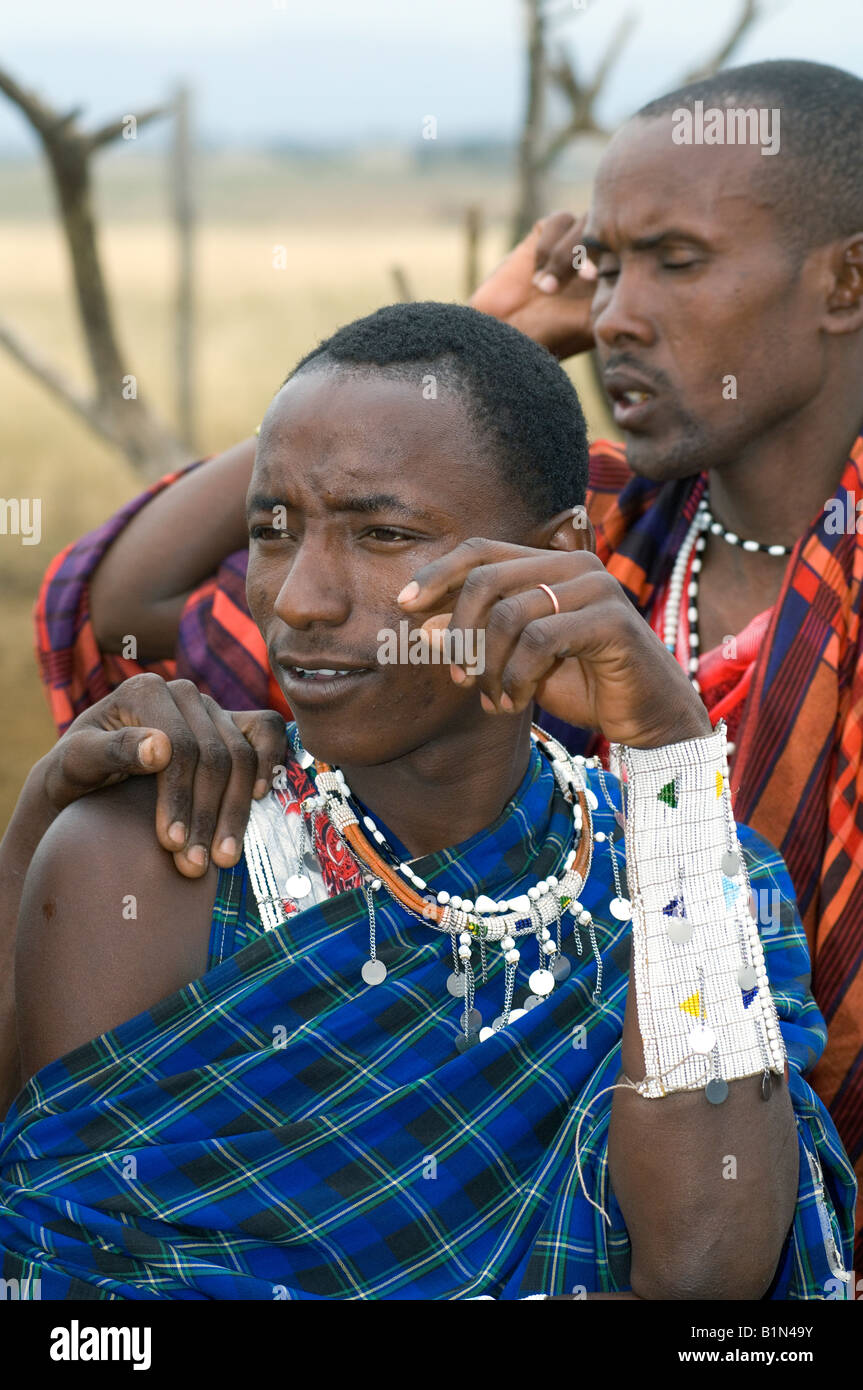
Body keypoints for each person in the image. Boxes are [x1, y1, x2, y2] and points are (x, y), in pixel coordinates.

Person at [34, 60, 863, 1260]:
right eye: (606, 265)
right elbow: (134, 608)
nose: (618, 313)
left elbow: (707, 1259)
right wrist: (470, 348)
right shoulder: (607, 546)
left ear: (845, 278)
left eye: (673, 260)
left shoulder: (573, 575)